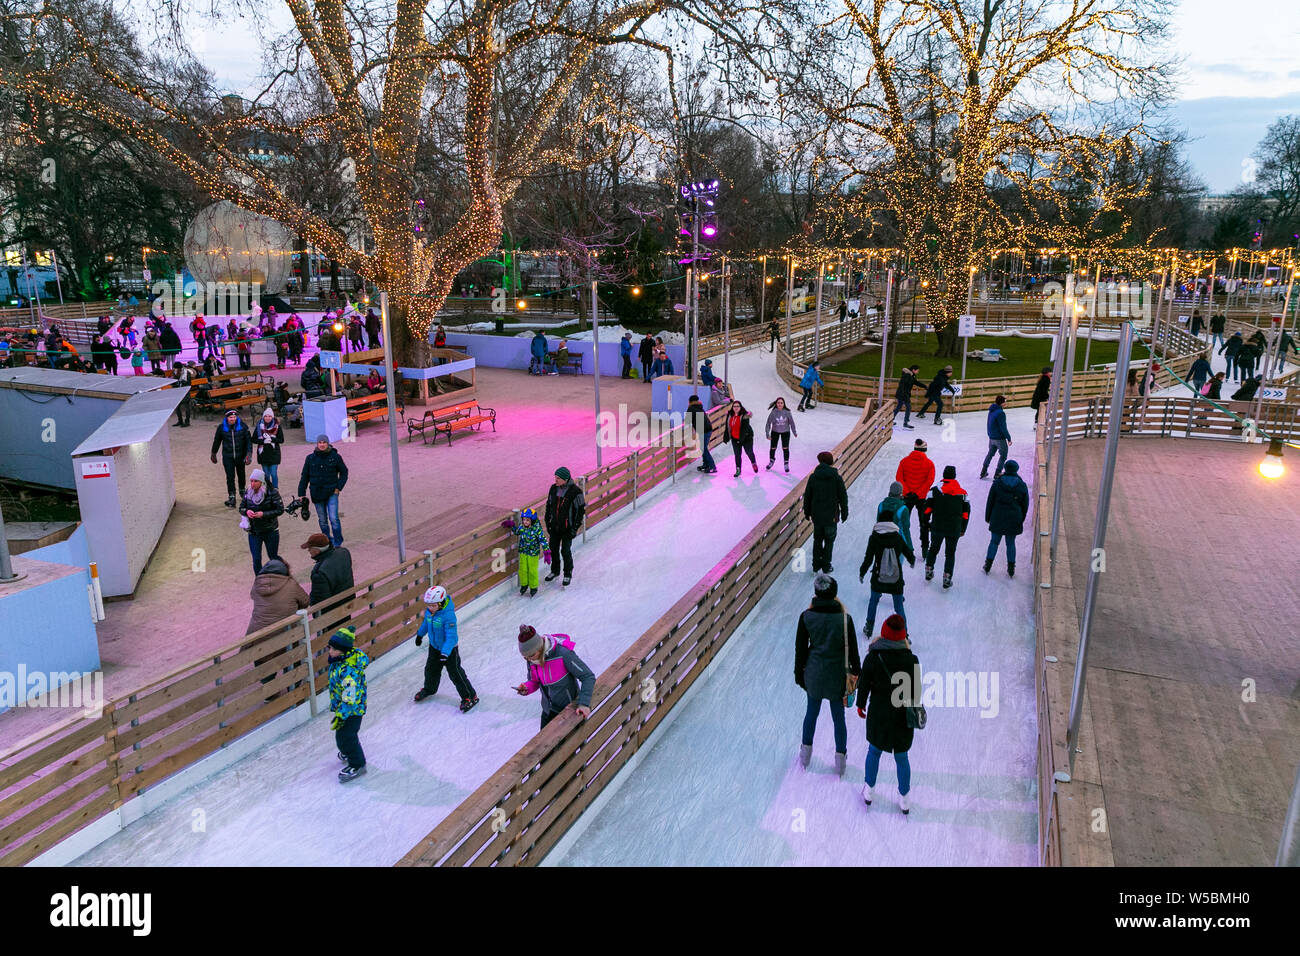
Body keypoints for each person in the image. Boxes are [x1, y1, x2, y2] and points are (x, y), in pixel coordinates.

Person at [794, 573, 859, 776]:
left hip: (813, 675)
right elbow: (854, 653)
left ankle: (805, 756)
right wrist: (855, 678)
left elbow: (800, 649)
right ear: (834, 594)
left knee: (811, 714)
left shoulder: (806, 617)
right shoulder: (845, 620)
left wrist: (799, 674)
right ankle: (840, 763)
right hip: (837, 677)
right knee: (838, 719)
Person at [856, 614, 921, 814]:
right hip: (902, 718)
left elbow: (864, 684)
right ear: (903, 636)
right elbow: (915, 693)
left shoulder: (873, 657)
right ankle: (905, 799)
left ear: (883, 632)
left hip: (879, 714)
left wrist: (860, 705)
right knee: (902, 757)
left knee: (874, 752)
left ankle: (869, 791)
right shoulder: (912, 660)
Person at [514, 625, 596, 729]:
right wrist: (526, 688)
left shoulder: (563, 654)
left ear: (539, 648)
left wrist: (584, 704)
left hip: (570, 712)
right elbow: (534, 681)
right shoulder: (532, 660)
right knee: (542, 744)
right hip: (548, 711)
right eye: (525, 657)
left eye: (530, 655)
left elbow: (588, 676)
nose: (528, 659)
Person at [412, 585, 479, 712]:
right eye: (428, 605)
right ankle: (429, 689)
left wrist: (445, 653)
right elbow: (426, 623)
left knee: (456, 674)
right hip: (434, 647)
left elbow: (451, 637)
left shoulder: (448, 616)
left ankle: (469, 697)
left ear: (441, 603)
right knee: (430, 669)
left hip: (449, 651)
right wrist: (420, 635)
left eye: (433, 605)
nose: (430, 608)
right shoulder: (430, 612)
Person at [859, 504, 915, 636]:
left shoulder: (874, 537)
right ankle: (905, 634)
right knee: (899, 607)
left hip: (878, 577)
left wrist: (862, 572)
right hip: (896, 578)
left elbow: (868, 558)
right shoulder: (897, 537)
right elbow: (907, 552)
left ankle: (869, 626)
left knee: (873, 601)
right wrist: (912, 560)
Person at [327, 626, 368, 782]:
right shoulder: (340, 660)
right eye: (330, 647)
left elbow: (349, 698)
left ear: (343, 651)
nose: (330, 651)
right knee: (345, 735)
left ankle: (357, 764)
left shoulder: (348, 671)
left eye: (334, 649)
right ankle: (347, 750)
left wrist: (341, 715)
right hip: (344, 707)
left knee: (345, 736)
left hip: (352, 710)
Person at [923, 465, 970, 589]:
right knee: (950, 553)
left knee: (933, 548)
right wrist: (963, 529)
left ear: (943, 475)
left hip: (937, 526)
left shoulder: (934, 491)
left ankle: (928, 569)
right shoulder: (963, 493)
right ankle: (947, 577)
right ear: (954, 476)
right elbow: (966, 514)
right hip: (954, 528)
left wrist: (926, 523)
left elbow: (927, 509)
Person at [298, 435, 348, 547]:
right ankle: (327, 541)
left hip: (331, 492)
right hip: (317, 493)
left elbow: (344, 472)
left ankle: (338, 542)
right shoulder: (310, 458)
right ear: (317, 444)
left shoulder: (335, 457)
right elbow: (305, 476)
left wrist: (338, 487)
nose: (322, 444)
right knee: (322, 520)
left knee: (334, 518)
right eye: (320, 442)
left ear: (327, 444)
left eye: (324, 442)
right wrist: (301, 493)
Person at [804, 451, 849, 572]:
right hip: (831, 517)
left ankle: (816, 565)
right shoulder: (836, 478)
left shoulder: (813, 477)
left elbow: (808, 495)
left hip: (817, 516)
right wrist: (845, 512)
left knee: (817, 540)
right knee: (829, 541)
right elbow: (843, 496)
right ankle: (826, 565)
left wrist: (807, 512)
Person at [983, 459, 1029, 577]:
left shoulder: (997, 483)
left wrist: (988, 517)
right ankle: (1011, 568)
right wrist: (1021, 519)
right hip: (1014, 518)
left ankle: (988, 564)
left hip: (998, 516)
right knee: (1010, 543)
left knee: (994, 542)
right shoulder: (1021, 485)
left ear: (1005, 468)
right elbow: (1025, 504)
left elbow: (990, 501)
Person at [544, 466, 585, 586]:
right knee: (553, 549)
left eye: (558, 478)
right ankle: (555, 571)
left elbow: (581, 511)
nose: (555, 480)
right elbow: (549, 505)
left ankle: (567, 574)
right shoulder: (553, 488)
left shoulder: (576, 491)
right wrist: (548, 521)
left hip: (567, 529)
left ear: (565, 479)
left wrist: (574, 528)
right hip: (555, 527)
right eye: (555, 477)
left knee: (565, 551)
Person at [895, 438, 935, 558]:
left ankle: (900, 545)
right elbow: (929, 481)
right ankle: (924, 548)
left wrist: (907, 492)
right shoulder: (929, 464)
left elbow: (899, 478)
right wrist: (918, 493)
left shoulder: (904, 462)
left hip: (906, 497)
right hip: (921, 498)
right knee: (923, 523)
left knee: (902, 522)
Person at [239, 469, 284, 574]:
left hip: (270, 531)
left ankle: (280, 576)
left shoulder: (272, 492)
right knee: (256, 559)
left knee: (273, 557)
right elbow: (241, 508)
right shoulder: (248, 492)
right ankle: (259, 581)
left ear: (262, 482)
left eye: (255, 481)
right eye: (251, 481)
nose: (252, 484)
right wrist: (247, 511)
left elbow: (280, 510)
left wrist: (263, 514)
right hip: (254, 532)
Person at [303, 532, 354, 618]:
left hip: (332, 614)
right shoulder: (344, 552)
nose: (308, 551)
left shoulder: (319, 572)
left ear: (317, 550)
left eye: (310, 548)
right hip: (348, 603)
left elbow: (320, 602)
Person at [211, 410, 253, 508]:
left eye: (234, 417)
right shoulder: (221, 428)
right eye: (230, 417)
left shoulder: (243, 426)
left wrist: (249, 454)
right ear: (227, 418)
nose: (232, 419)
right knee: (230, 477)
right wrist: (214, 453)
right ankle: (232, 496)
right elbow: (217, 441)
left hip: (240, 456)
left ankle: (242, 492)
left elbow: (248, 441)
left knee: (241, 475)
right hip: (228, 457)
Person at [503, 508, 546, 596]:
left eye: (527, 520)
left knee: (532, 570)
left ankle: (533, 586)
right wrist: (511, 525)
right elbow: (517, 531)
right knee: (523, 569)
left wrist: (547, 551)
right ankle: (524, 584)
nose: (525, 522)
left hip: (533, 554)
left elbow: (543, 540)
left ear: (532, 520)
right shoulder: (522, 527)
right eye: (523, 520)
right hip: (523, 552)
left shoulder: (537, 529)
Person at [980, 394, 1012, 480]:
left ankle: (983, 471)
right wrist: (1009, 438)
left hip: (991, 438)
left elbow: (989, 424)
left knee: (990, 454)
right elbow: (1003, 427)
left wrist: (990, 434)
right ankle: (997, 473)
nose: (1006, 403)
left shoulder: (991, 410)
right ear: (1002, 403)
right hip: (999, 439)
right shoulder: (1001, 413)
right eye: (1005, 402)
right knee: (1003, 456)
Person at [723, 399, 759, 477]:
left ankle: (753, 463)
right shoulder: (730, 415)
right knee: (737, 455)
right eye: (734, 406)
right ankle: (738, 469)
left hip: (746, 438)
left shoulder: (744, 416)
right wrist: (726, 437)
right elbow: (728, 427)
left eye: (737, 406)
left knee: (749, 452)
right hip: (735, 438)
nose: (736, 408)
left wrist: (740, 440)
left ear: (740, 407)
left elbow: (744, 429)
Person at [876, 481, 912, 552]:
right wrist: (909, 547)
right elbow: (905, 530)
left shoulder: (881, 505)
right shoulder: (903, 509)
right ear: (900, 493)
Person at [253, 407, 284, 487]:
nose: (267, 418)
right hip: (263, 454)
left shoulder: (277, 426)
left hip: (274, 453)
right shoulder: (259, 426)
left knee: (273, 474)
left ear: (272, 417)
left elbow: (281, 440)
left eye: (269, 416)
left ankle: (275, 490)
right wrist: (263, 441)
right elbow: (253, 439)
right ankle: (267, 490)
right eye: (266, 416)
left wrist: (272, 439)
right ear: (263, 417)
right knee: (266, 475)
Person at [764, 396, 797, 472]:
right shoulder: (773, 412)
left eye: (781, 403)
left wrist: (794, 431)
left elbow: (792, 422)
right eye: (778, 403)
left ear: (784, 404)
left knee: (785, 448)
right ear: (776, 404)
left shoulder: (787, 412)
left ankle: (786, 463)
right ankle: (772, 460)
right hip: (775, 432)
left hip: (785, 432)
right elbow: (768, 423)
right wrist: (767, 433)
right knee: (773, 448)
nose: (780, 404)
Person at [688, 394, 718, 474]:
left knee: (704, 449)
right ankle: (706, 464)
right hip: (708, 428)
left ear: (690, 402)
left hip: (704, 430)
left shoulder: (691, 408)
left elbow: (688, 420)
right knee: (703, 448)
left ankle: (712, 467)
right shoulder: (700, 406)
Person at [893, 364, 921, 429]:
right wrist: (903, 393)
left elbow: (916, 382)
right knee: (908, 407)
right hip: (903, 394)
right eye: (917, 370)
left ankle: (890, 420)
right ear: (913, 370)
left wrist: (925, 386)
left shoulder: (911, 376)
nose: (918, 372)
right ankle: (905, 423)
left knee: (899, 407)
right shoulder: (907, 375)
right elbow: (901, 384)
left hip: (903, 394)